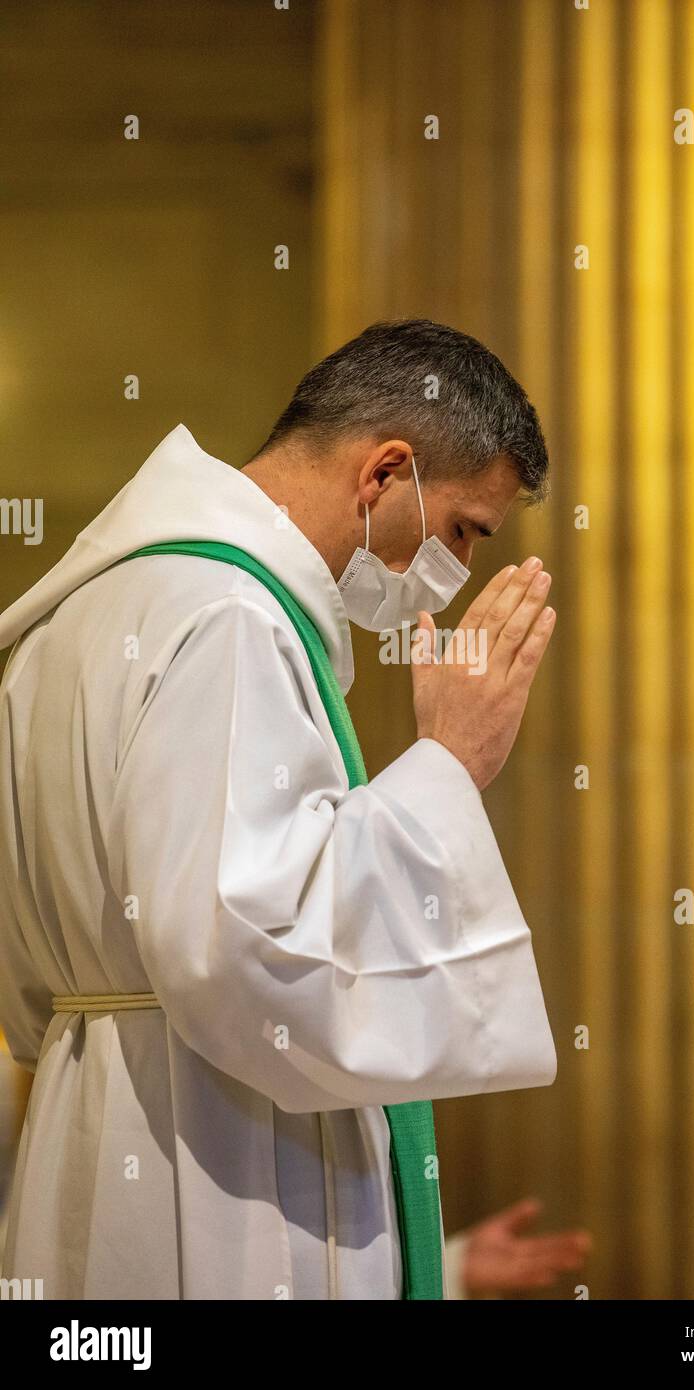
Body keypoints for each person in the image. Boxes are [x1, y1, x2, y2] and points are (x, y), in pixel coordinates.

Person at [0, 318, 560, 1300]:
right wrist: (446, 764)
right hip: (213, 1164)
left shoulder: (85, 614)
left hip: (98, 1121)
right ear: (384, 471)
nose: (459, 568)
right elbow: (249, 948)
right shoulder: (227, 617)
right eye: (464, 527)